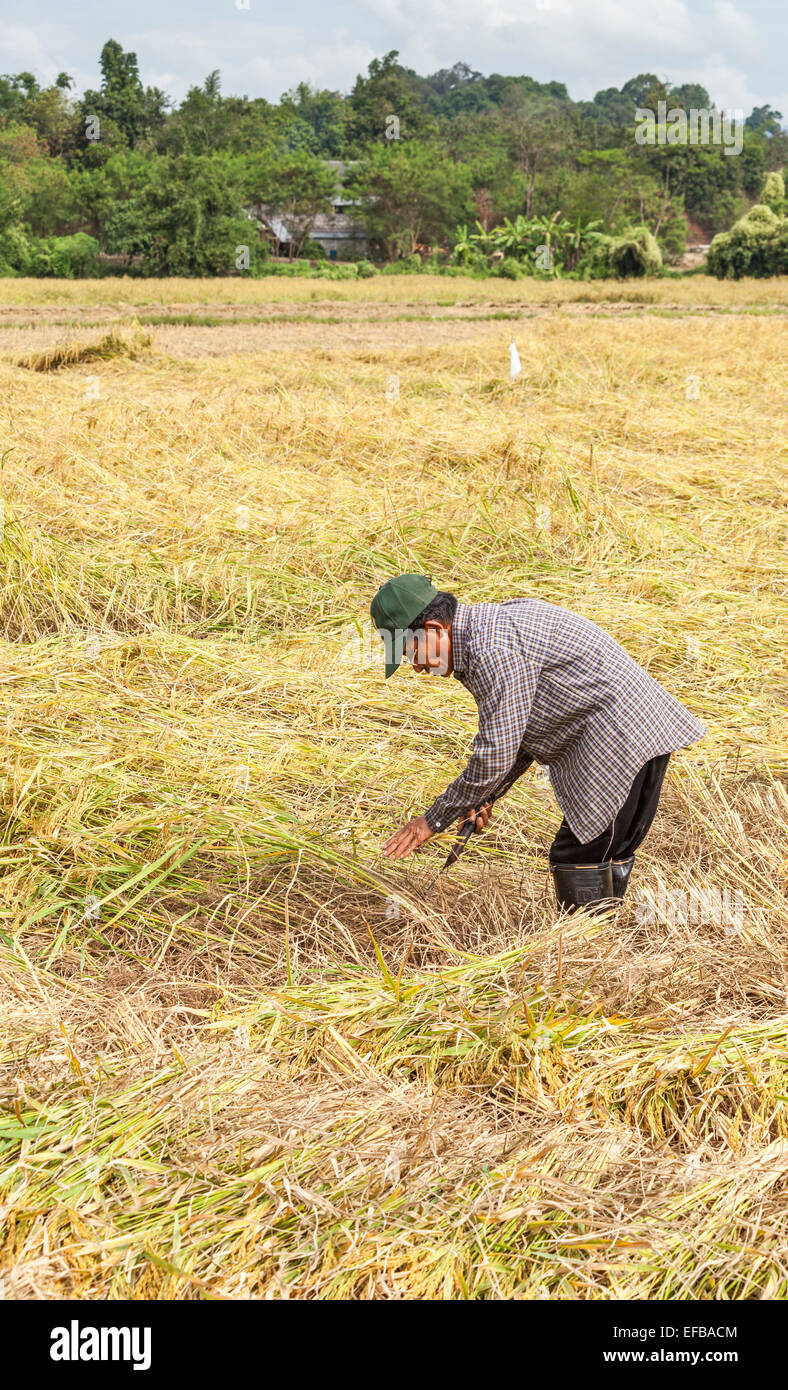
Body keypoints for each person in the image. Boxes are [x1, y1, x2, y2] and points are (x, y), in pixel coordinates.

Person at [371, 574, 706, 911]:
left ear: (432, 629)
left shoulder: (491, 650)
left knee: (580, 853)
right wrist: (487, 793)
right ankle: (606, 937)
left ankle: (588, 948)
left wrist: (432, 820)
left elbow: (495, 755)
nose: (414, 667)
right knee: (606, 850)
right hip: (637, 730)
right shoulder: (488, 630)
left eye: (409, 651)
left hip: (621, 741)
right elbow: (518, 732)